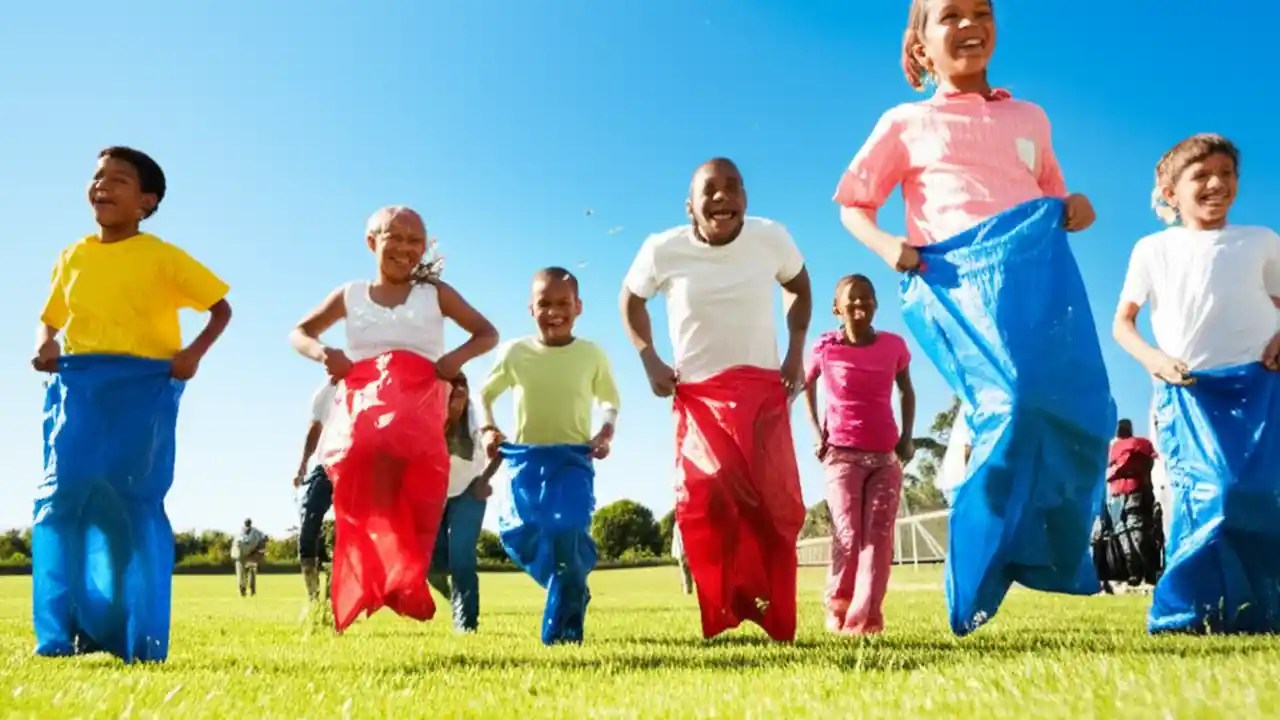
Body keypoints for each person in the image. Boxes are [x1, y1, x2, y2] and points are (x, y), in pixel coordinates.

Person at [834, 0, 1110, 636]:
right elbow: (852, 203)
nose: (969, 24)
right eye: (950, 15)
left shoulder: (1030, 117)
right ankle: (976, 557)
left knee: (1080, 410)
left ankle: (1045, 548)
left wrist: (1075, 207)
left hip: (1033, 276)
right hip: (954, 280)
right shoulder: (905, 122)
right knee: (1011, 402)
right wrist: (889, 248)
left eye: (981, 12)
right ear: (922, 48)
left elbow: (1053, 197)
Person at [30, 146, 232, 662]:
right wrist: (45, 342)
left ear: (146, 201)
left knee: (128, 504)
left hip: (142, 390)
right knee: (63, 500)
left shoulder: (161, 255)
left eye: (118, 180)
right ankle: (61, 632)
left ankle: (131, 629)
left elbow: (220, 308)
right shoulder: (72, 255)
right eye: (97, 177)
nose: (102, 186)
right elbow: (50, 315)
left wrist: (193, 355)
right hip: (79, 389)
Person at [620, 157, 812, 642]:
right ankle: (723, 603)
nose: (722, 197)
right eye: (710, 190)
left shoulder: (771, 238)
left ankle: (775, 614)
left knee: (773, 505)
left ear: (746, 198)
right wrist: (649, 358)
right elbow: (630, 300)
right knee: (712, 500)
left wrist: (794, 353)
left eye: (733, 187)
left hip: (763, 390)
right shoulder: (662, 249)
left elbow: (799, 286)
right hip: (700, 395)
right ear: (690, 206)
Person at [289, 206, 498, 632]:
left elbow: (486, 332)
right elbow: (300, 332)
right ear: (371, 242)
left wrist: (452, 359)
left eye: (414, 241)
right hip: (364, 413)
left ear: (424, 247)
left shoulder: (434, 294)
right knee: (357, 486)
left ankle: (407, 575)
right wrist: (324, 354)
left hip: (420, 413)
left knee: (416, 500)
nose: (405, 248)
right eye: (393, 238)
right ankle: (369, 575)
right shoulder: (350, 295)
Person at [1114, 134, 1280, 633]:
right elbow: (1123, 323)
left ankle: (1260, 610)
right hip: (1188, 391)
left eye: (1227, 174)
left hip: (1258, 385)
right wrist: (1154, 360)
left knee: (1259, 493)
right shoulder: (1153, 250)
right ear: (1171, 192)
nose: (1217, 184)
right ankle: (1186, 611)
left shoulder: (1262, 241)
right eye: (1201, 175)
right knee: (1210, 494)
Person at [481, 267, 620, 645]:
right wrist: (487, 428)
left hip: (575, 459)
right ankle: (573, 580)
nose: (553, 311)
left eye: (563, 303)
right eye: (544, 303)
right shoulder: (514, 352)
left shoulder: (591, 354)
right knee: (518, 534)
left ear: (579, 307)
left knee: (567, 530)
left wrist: (605, 432)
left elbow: (609, 399)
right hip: (526, 460)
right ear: (530, 308)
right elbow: (485, 394)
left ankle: (565, 631)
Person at [803, 274, 916, 636]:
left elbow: (906, 390)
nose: (859, 304)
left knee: (878, 538)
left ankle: (867, 618)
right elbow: (806, 384)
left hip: (884, 456)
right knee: (848, 533)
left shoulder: (894, 346)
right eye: (851, 299)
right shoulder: (824, 347)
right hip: (841, 455)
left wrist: (908, 437)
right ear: (836, 308)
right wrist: (816, 433)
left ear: (875, 304)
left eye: (866, 298)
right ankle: (838, 607)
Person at [427, 373, 500, 633]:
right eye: (452, 385)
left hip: (468, 492)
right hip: (433, 495)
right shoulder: (427, 418)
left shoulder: (475, 417)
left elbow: (498, 448)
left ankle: (466, 624)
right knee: (430, 564)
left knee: (462, 560)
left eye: (463, 385)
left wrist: (485, 479)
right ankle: (456, 598)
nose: (459, 389)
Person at [293, 378, 338, 603]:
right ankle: (313, 597)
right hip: (326, 465)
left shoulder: (367, 385)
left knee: (347, 533)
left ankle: (334, 598)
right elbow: (315, 427)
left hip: (357, 466)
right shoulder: (325, 392)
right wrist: (303, 464)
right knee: (308, 526)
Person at [1106, 419, 1160, 587]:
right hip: (1121, 494)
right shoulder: (1117, 447)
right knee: (1125, 532)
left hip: (1132, 492)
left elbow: (1140, 464)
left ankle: (1147, 572)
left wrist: (1116, 471)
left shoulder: (1139, 444)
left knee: (1135, 531)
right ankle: (1136, 573)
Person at [231, 519, 268, 597]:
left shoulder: (255, 531)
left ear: (250, 523)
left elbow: (264, 537)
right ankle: (242, 591)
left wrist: (262, 542)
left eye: (249, 523)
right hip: (240, 555)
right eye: (246, 523)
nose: (247, 524)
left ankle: (252, 591)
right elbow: (236, 544)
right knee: (241, 574)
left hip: (252, 554)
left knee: (252, 573)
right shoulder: (239, 532)